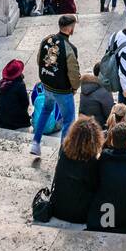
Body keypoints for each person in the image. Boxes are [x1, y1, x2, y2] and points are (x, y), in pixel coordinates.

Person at [34, 14, 82, 152]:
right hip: (62, 90)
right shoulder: (70, 48)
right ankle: (63, 153)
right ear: (71, 28)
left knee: (46, 109)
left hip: (47, 84)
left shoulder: (46, 39)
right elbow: (73, 73)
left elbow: (39, 60)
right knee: (68, 120)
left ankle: (36, 142)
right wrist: (75, 87)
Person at [48, 117, 104, 224]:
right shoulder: (91, 162)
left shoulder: (64, 152)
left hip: (57, 208)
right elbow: (95, 186)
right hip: (80, 215)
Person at [0, 59, 31, 130]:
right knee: (26, 96)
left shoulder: (3, 83)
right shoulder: (20, 85)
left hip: (1, 116)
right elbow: (25, 103)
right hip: (15, 119)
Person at [79, 62, 115, 128]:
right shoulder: (104, 91)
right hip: (98, 128)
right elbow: (110, 115)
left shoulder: (86, 86)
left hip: (83, 125)